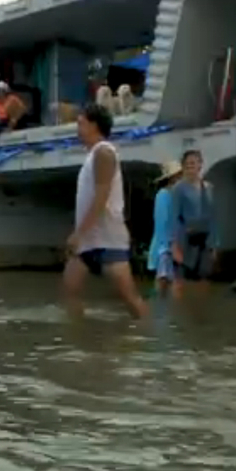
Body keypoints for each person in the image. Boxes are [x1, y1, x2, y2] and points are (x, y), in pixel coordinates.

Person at [62, 103, 148, 319]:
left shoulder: (104, 153)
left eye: (81, 123)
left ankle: (149, 336)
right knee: (70, 291)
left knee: (129, 298)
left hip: (108, 238)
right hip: (88, 241)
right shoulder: (92, 155)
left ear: (94, 125)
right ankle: (78, 344)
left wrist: (79, 233)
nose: (77, 129)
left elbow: (102, 197)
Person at [171, 150, 218, 286]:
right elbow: (174, 217)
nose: (190, 166)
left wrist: (215, 243)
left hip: (206, 238)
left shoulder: (209, 188)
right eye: (187, 164)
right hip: (186, 238)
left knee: (204, 277)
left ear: (200, 165)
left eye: (193, 163)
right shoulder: (179, 189)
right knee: (185, 278)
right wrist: (174, 246)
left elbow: (213, 217)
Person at [148, 161, 182, 297]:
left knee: (173, 283)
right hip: (166, 247)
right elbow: (161, 224)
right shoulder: (163, 195)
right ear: (173, 177)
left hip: (178, 245)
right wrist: (167, 248)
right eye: (179, 175)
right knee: (165, 282)